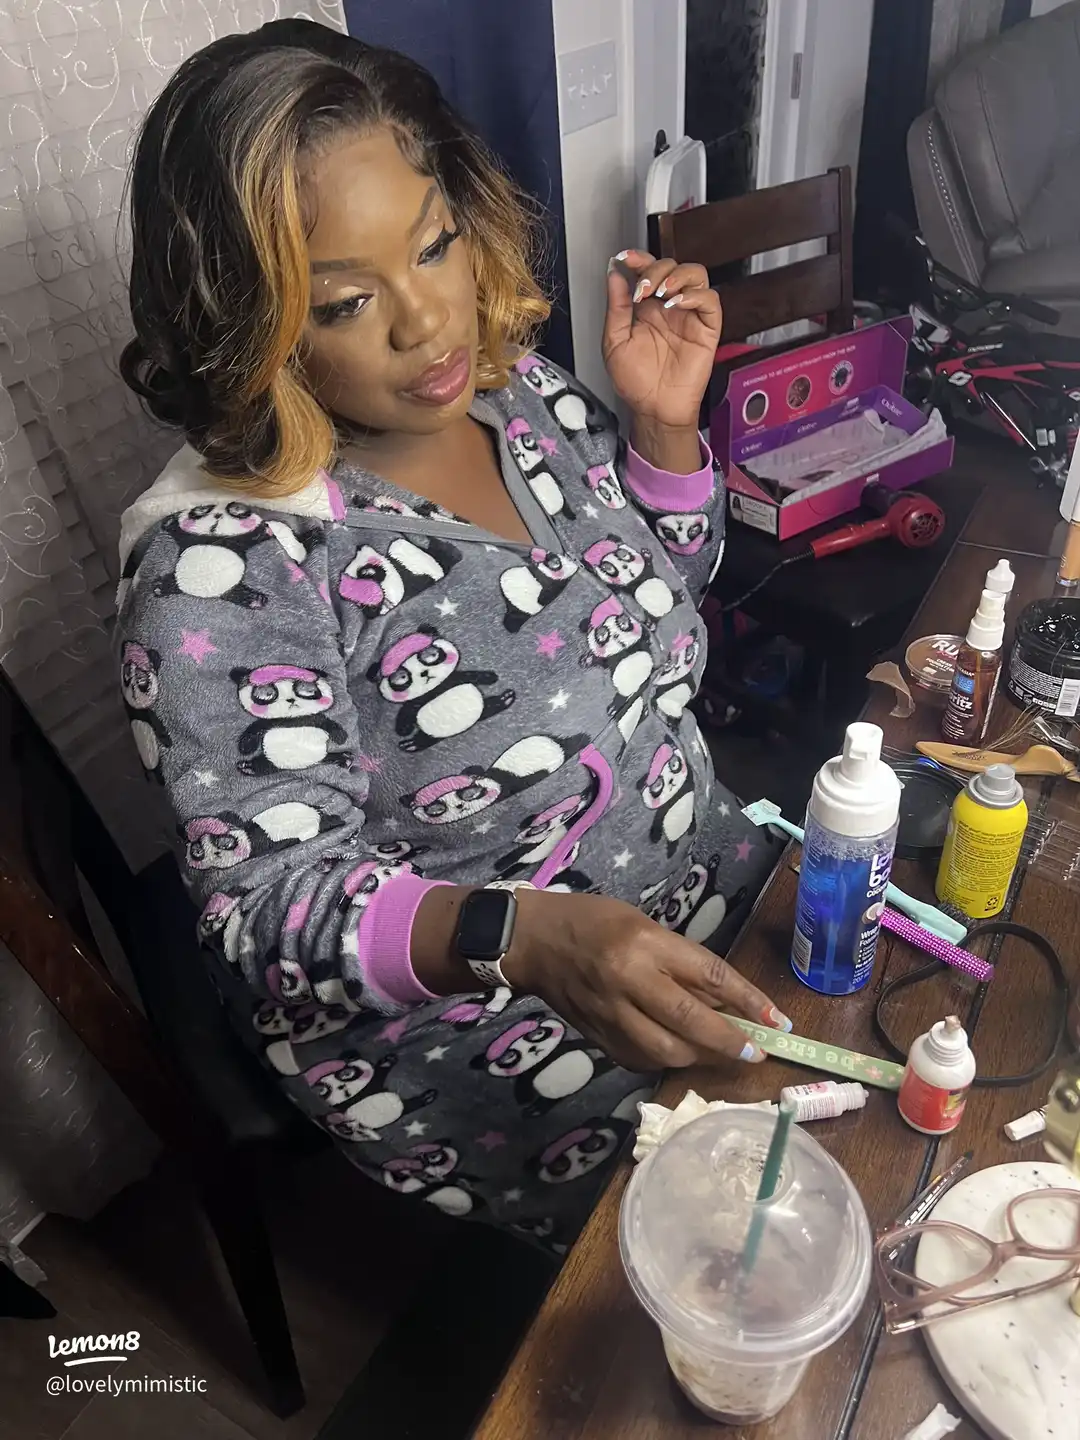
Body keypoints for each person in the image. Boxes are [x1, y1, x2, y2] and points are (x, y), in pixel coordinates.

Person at [117, 19, 786, 1252]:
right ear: (249, 319)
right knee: (767, 1248)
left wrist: (662, 436)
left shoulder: (515, 391)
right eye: (347, 300)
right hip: (497, 1038)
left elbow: (653, 625)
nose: (430, 324)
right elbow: (265, 917)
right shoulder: (228, 565)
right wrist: (517, 937)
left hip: (717, 887)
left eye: (435, 246)